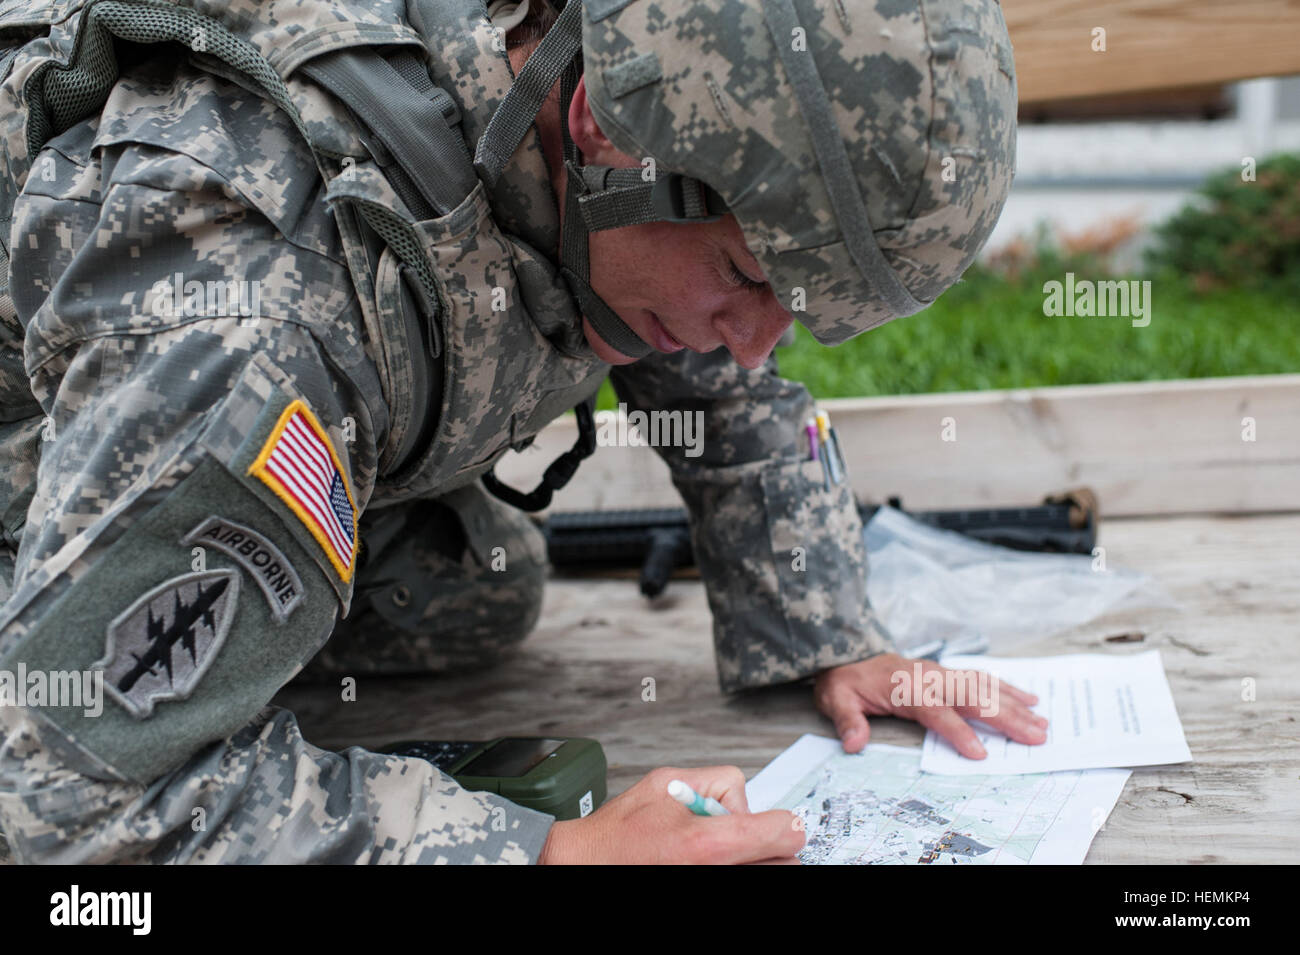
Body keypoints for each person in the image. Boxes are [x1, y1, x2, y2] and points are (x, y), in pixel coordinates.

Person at [0, 0, 1040, 864]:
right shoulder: (268, 295)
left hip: (166, 421)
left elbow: (715, 366)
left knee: (469, 588)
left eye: (797, 306)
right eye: (747, 278)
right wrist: (539, 851)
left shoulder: (599, 147)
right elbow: (67, 812)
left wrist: (830, 631)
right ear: (601, 127)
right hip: (72, 468)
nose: (758, 347)